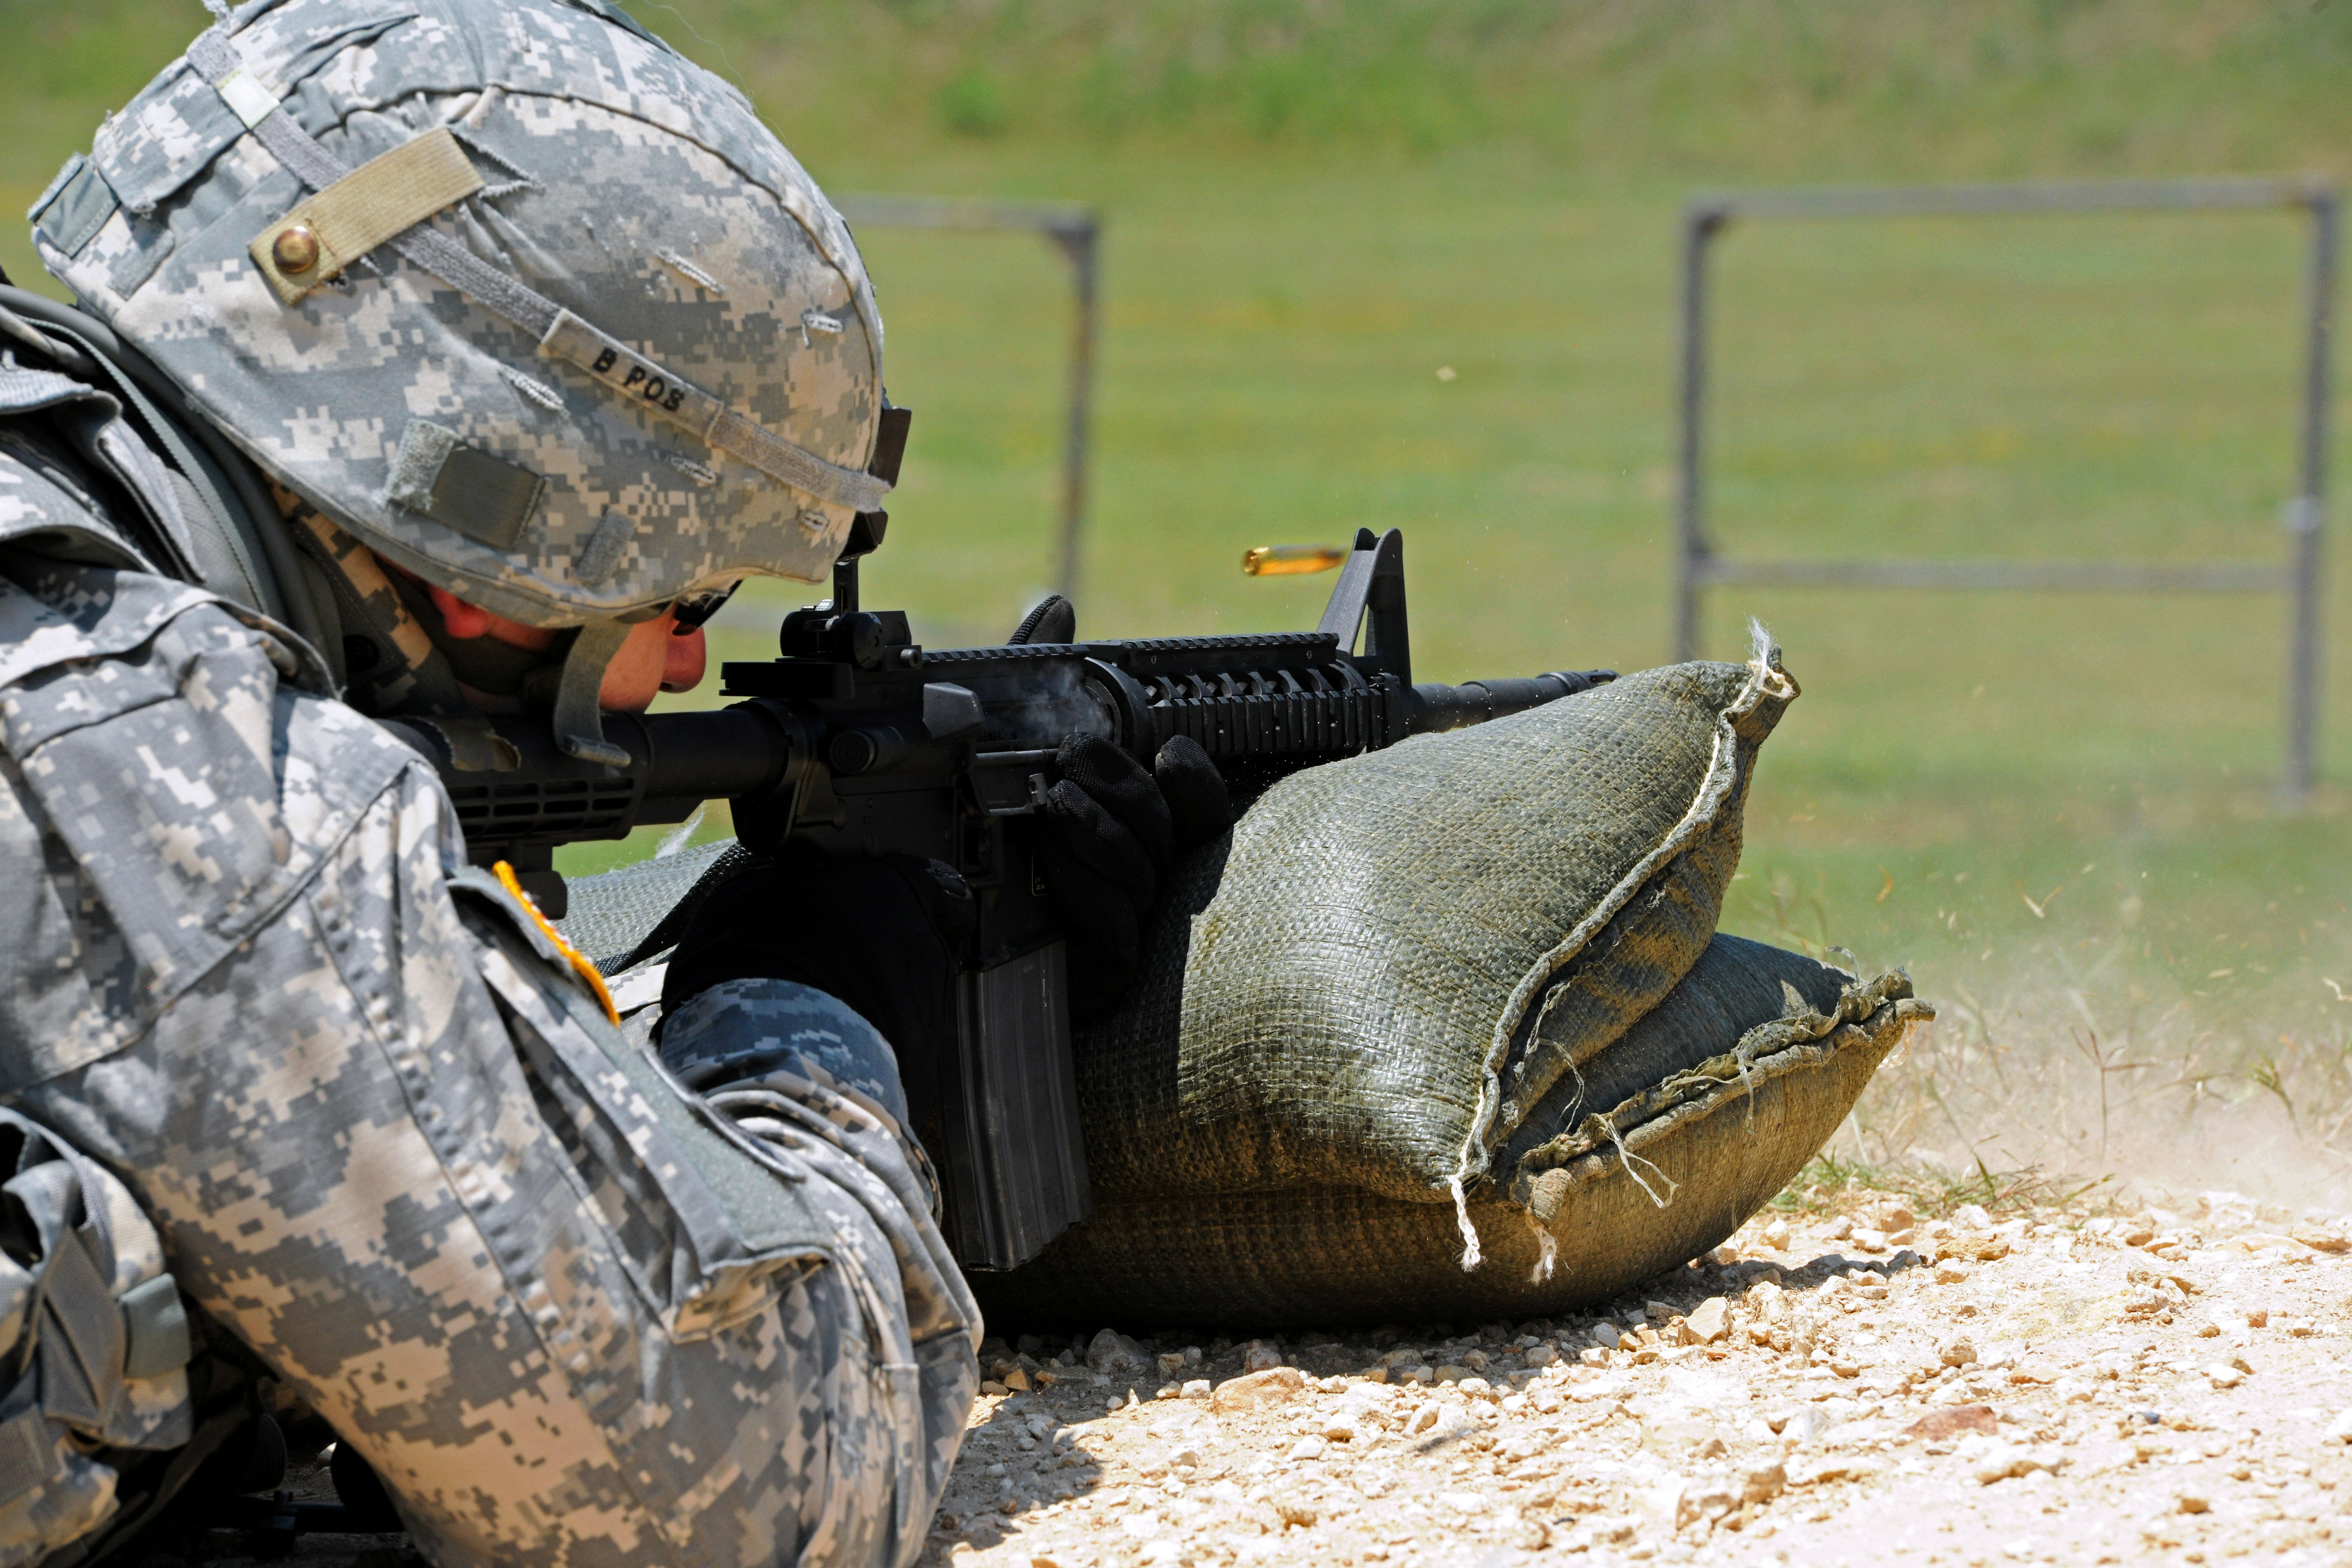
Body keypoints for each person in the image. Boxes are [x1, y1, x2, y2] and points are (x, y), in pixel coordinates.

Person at [0, 0, 1206, 1561]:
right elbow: (731, 1481)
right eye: (684, 597)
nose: (690, 672)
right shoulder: (160, 765)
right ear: (492, 519)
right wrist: (815, 1011)